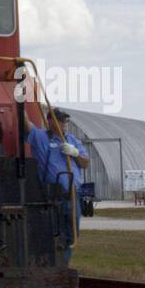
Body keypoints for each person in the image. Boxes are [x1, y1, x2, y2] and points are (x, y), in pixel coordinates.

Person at [26, 109, 90, 263]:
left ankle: (63, 264)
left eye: (65, 121)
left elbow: (85, 163)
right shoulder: (41, 138)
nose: (64, 124)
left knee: (71, 235)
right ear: (50, 121)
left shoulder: (73, 141)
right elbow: (26, 123)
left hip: (73, 196)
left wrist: (75, 153)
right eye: (60, 120)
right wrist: (18, 95)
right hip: (52, 197)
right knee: (52, 233)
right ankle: (52, 263)